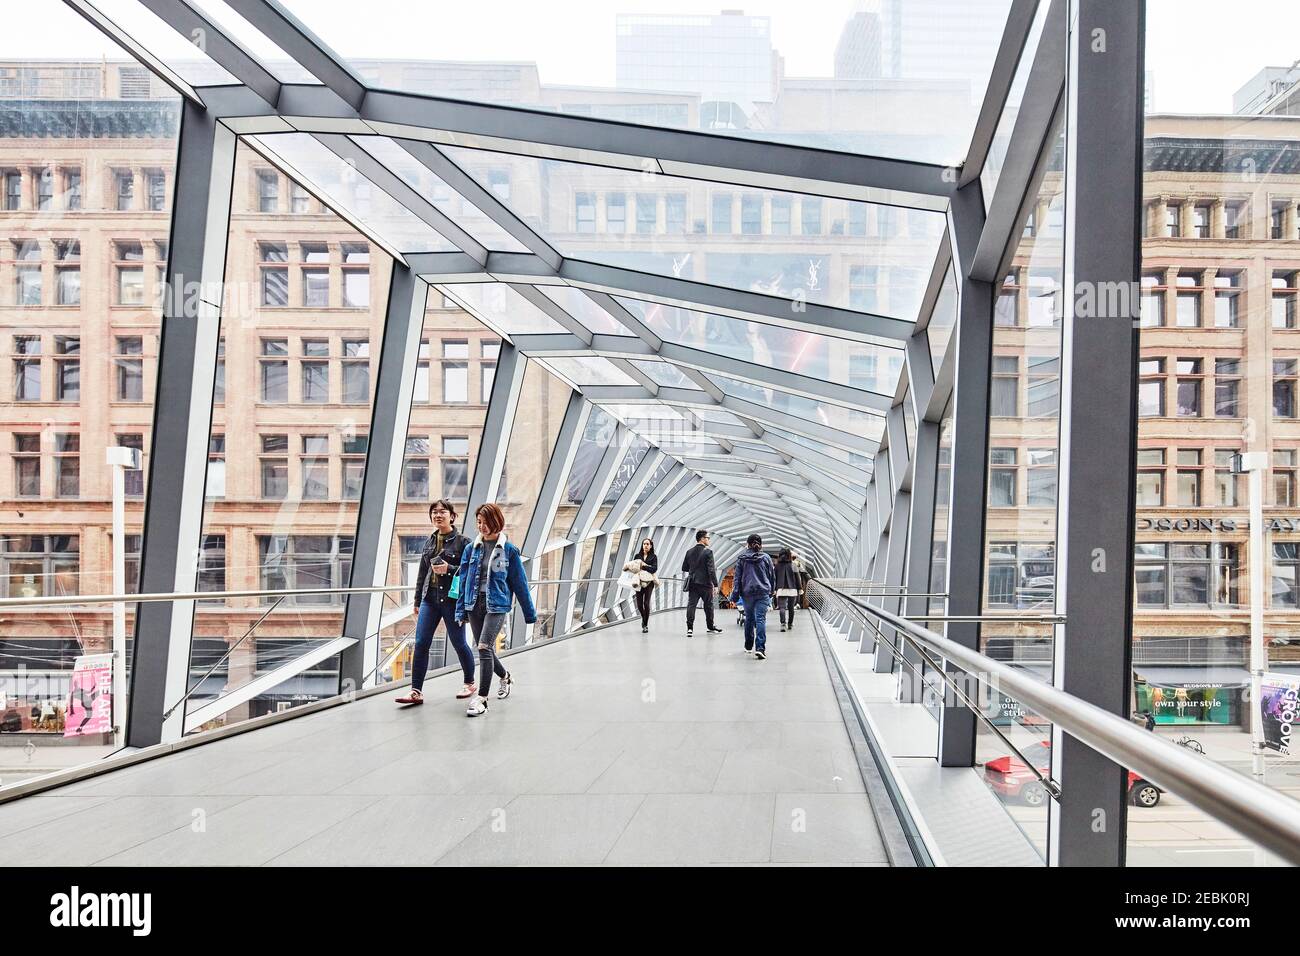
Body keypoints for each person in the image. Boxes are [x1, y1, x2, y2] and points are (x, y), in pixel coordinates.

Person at [454, 503, 537, 717]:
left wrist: (529, 613)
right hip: (473, 604)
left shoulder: (508, 550)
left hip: (497, 604)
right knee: (486, 649)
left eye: (485, 522)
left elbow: (520, 583)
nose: (481, 526)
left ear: (496, 522)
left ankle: (482, 698)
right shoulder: (471, 548)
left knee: (483, 646)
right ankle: (506, 676)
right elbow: (463, 581)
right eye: (478, 522)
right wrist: (460, 611)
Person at [396, 500, 474, 705]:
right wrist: (416, 600)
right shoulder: (429, 542)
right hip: (429, 599)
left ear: (452, 516)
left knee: (459, 642)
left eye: (442, 512)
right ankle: (416, 691)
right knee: (421, 643)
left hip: (452, 600)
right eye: (434, 512)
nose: (438, 515)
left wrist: (448, 568)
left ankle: (470, 682)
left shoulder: (464, 542)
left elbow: (471, 572)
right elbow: (422, 573)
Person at [735, 534, 776, 659]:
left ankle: (748, 645)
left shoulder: (741, 559)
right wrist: (772, 590)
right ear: (761, 544)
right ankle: (760, 648)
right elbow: (771, 576)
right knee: (760, 619)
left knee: (749, 619)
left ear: (747, 544)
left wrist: (736, 594)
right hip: (763, 592)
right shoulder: (766, 558)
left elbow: (737, 579)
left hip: (747, 593)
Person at [681, 529, 723, 637]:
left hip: (693, 583)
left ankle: (690, 629)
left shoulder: (689, 552)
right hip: (705, 584)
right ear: (702, 539)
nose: (709, 540)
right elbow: (711, 570)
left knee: (691, 605)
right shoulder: (708, 552)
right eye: (708, 538)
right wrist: (716, 585)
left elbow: (684, 567)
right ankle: (710, 627)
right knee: (708, 606)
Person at [628, 537, 658, 633]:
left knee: (646, 603)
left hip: (649, 582)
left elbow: (654, 569)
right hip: (639, 582)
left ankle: (645, 625)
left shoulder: (653, 556)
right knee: (639, 604)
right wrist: (644, 567)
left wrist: (643, 566)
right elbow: (634, 568)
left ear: (651, 546)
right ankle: (643, 618)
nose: (645, 545)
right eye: (644, 544)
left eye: (647, 544)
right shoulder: (637, 556)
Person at [774, 548, 800, 632]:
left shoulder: (777, 566)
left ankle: (782, 624)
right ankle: (790, 624)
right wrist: (800, 588)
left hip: (780, 589)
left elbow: (774, 578)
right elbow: (797, 578)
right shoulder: (793, 565)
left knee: (782, 607)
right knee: (791, 607)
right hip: (792, 589)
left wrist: (774, 589)